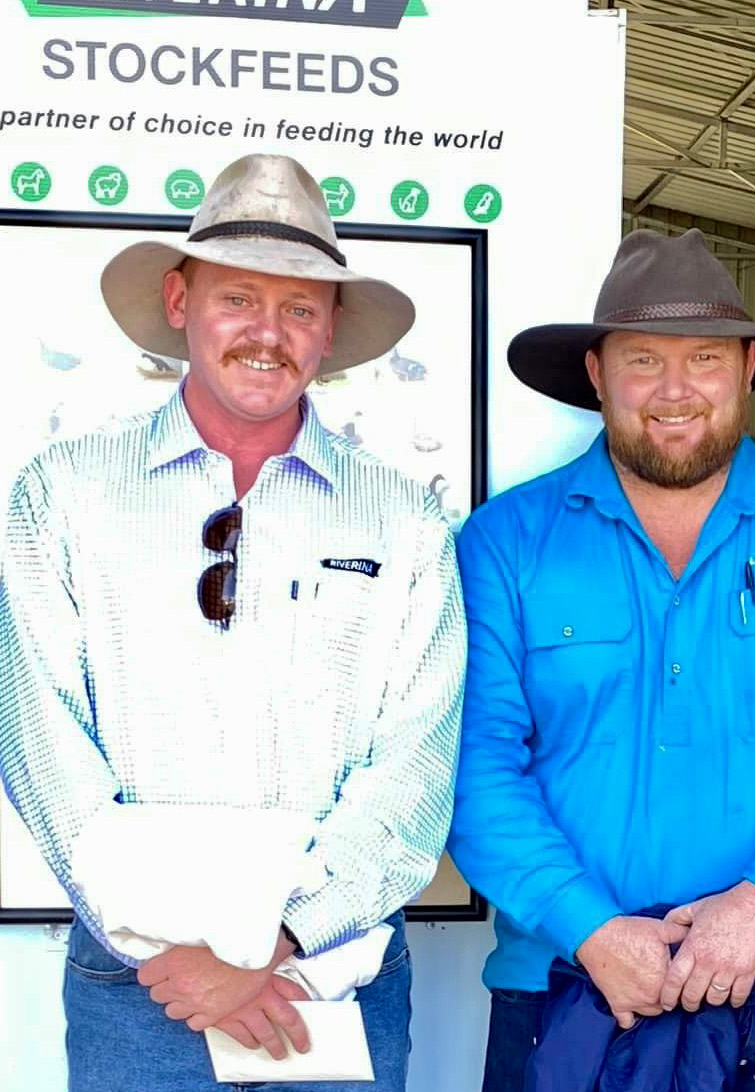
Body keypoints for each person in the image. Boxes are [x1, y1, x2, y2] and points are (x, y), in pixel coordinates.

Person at [0, 154, 465, 1092]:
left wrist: (276, 940)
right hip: (141, 985)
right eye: (237, 298)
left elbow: (415, 763)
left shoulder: (405, 519)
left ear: (331, 329)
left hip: (330, 977)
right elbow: (40, 741)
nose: (269, 333)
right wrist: (178, 947)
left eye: (300, 307)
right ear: (179, 301)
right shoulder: (64, 492)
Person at [452, 228, 755, 1091]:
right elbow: (474, 763)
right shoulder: (504, 542)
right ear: (597, 375)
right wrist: (588, 927)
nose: (674, 391)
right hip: (560, 989)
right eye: (641, 360)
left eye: (704, 358)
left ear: (746, 368)